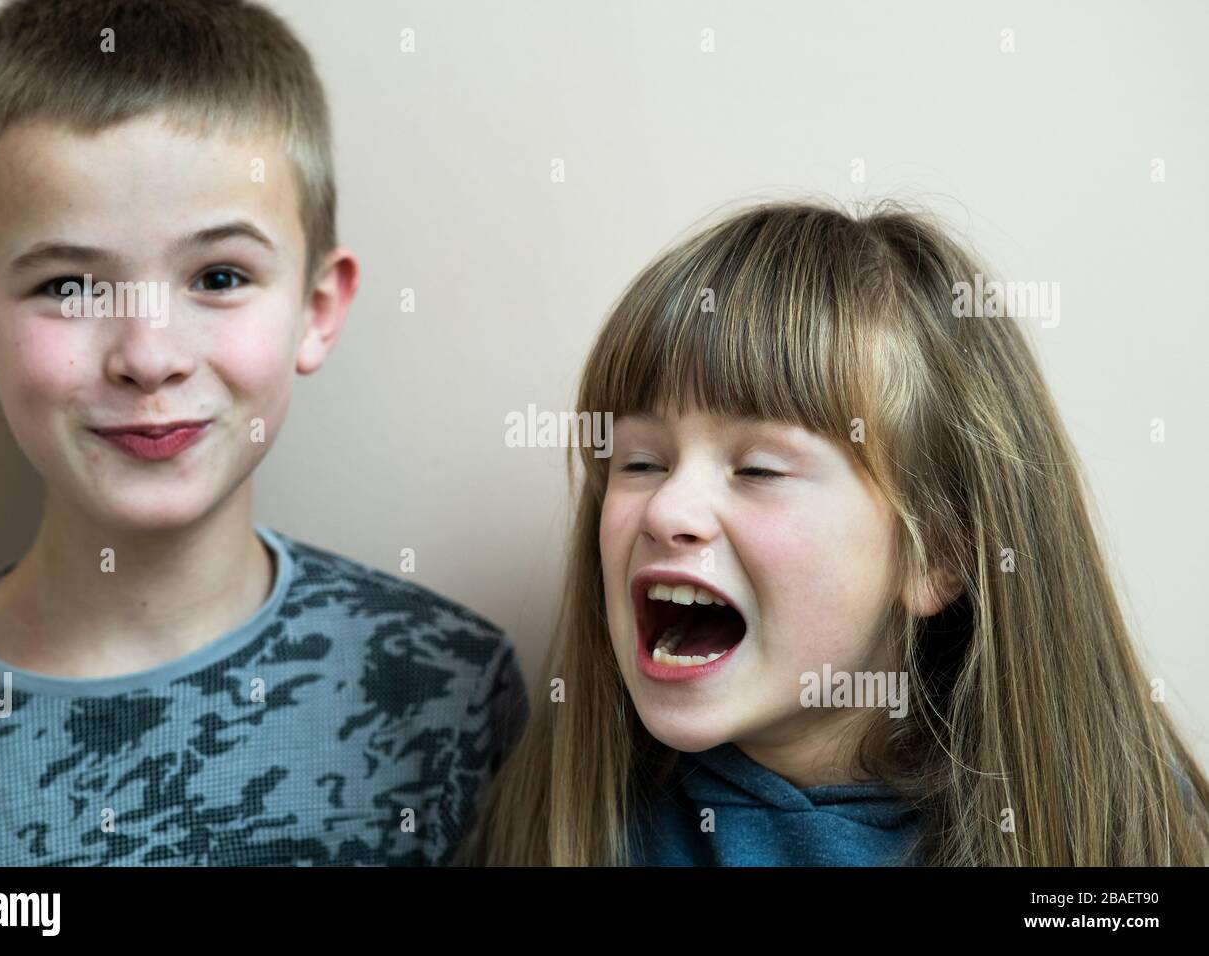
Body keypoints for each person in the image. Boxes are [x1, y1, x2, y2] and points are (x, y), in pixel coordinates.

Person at [0, 0, 527, 866]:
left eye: (220, 275)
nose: (148, 357)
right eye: (68, 286)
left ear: (317, 309)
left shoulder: (444, 687)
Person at [460, 199, 1209, 866]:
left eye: (756, 469)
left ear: (936, 554)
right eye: (642, 462)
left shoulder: (1127, 841)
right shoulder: (555, 832)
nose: (665, 512)